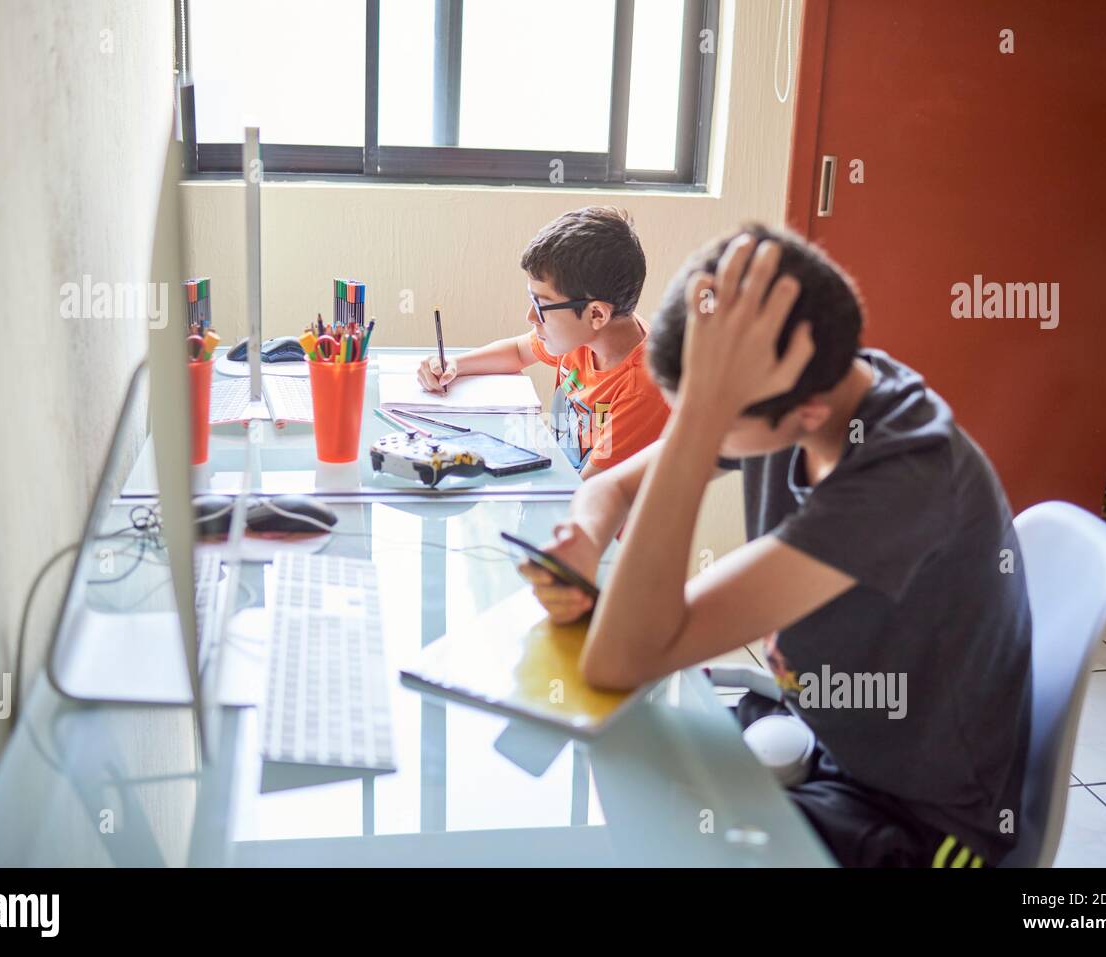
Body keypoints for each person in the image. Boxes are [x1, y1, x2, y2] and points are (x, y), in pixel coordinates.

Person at [518, 225, 1033, 868]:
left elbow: (620, 660)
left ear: (809, 411)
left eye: (709, 426)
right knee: (615, 773)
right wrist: (585, 538)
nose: (698, 441)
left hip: (917, 820)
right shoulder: (810, 382)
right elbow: (610, 490)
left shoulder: (902, 479)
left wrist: (703, 420)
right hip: (818, 733)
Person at [416, 206, 670, 478]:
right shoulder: (588, 336)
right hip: (559, 487)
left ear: (596, 313)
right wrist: (453, 364)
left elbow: (583, 494)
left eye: (541, 306)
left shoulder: (642, 391)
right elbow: (517, 351)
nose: (529, 316)